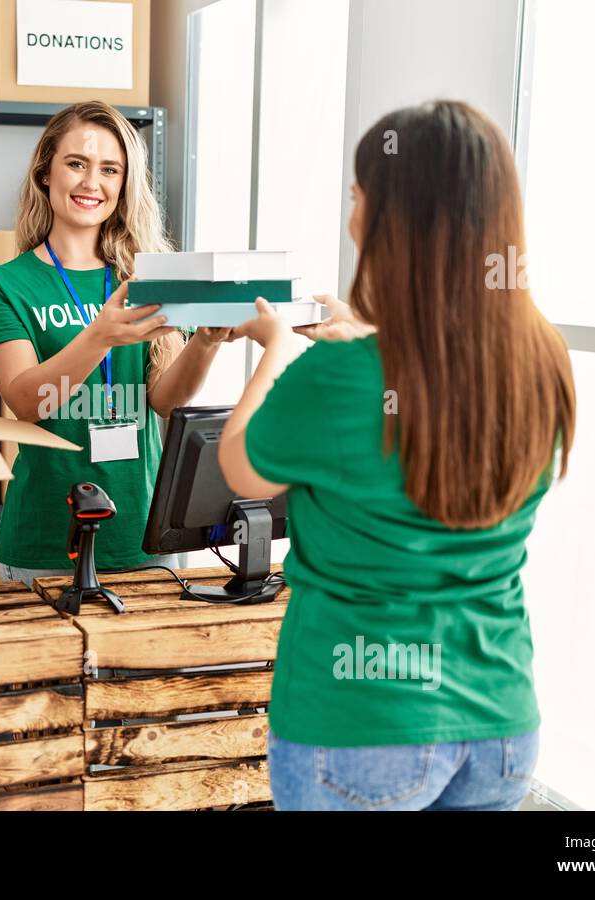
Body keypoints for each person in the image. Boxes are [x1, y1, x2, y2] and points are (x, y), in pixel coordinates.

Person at [220, 100, 576, 811]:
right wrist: (365, 340)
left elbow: (240, 466)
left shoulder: (342, 379)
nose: (353, 216)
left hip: (359, 721)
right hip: (499, 723)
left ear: (393, 217)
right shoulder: (542, 358)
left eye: (359, 197)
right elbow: (435, 387)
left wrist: (281, 352)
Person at [0, 101, 233, 586]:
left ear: (124, 184)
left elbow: (166, 400)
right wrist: (99, 336)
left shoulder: (147, 274)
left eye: (110, 170)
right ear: (44, 173)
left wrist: (206, 343)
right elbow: (27, 401)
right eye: (77, 164)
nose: (93, 183)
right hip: (44, 539)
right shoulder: (4, 285)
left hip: (145, 536)